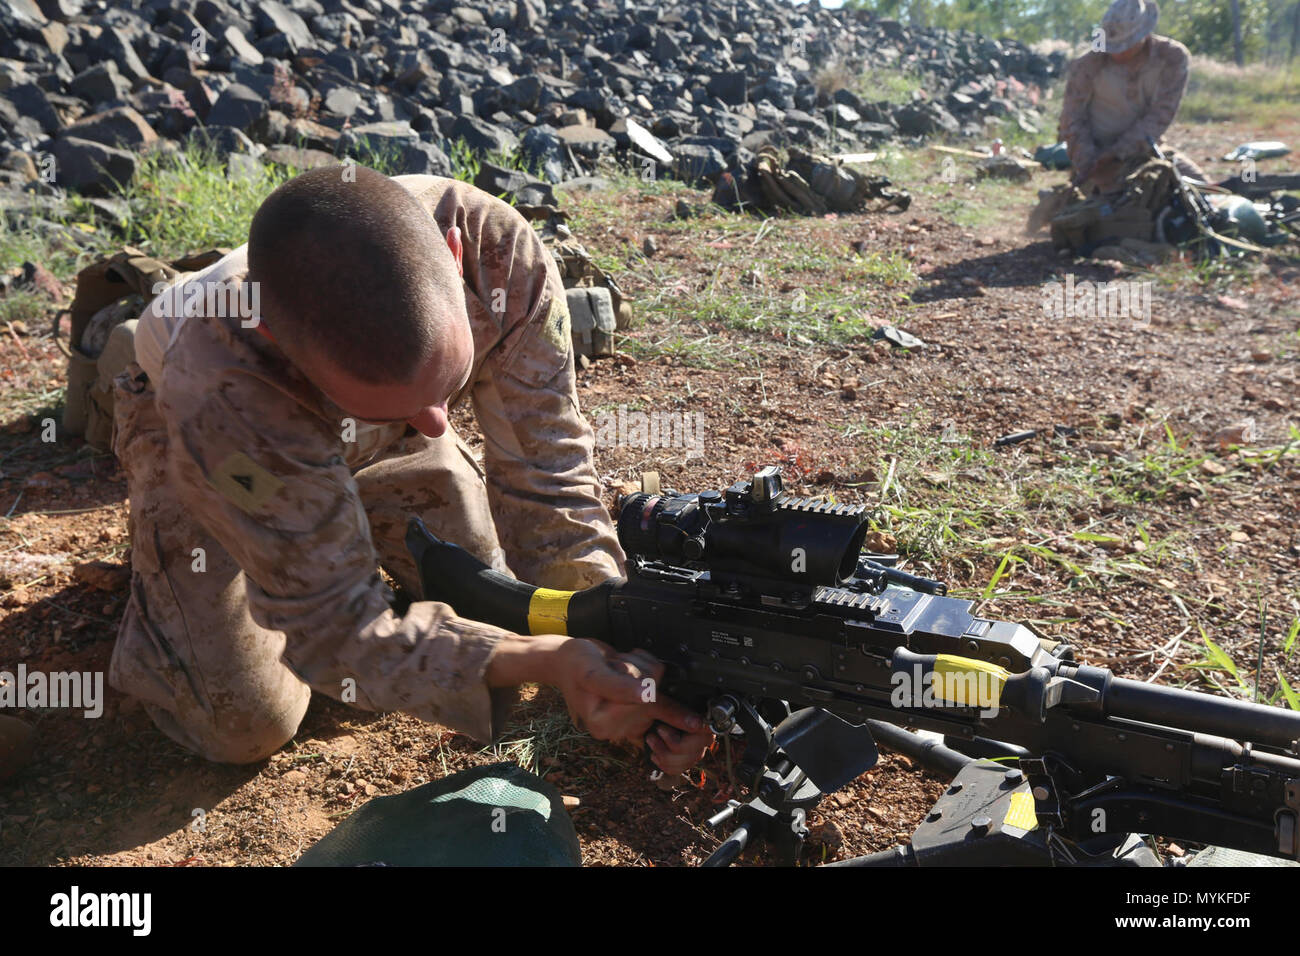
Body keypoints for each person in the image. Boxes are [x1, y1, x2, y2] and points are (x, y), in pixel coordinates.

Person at [109, 165, 712, 774]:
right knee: (245, 722)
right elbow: (333, 627)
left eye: (450, 387)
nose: (438, 426)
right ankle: (162, 600)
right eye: (408, 406)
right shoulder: (220, 386)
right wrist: (546, 661)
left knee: (489, 604)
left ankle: (366, 453)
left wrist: (626, 657)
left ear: (452, 256)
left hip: (360, 423)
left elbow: (547, 481)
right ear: (274, 337)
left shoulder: (497, 256)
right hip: (231, 446)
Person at [1059, 0, 1205, 196]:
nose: (1118, 53)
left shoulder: (1172, 58)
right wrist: (1090, 164)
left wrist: (1118, 154)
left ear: (1144, 34)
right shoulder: (1087, 65)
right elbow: (1072, 119)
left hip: (1146, 150)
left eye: (1124, 46)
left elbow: (1160, 116)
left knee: (1206, 194)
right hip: (1095, 158)